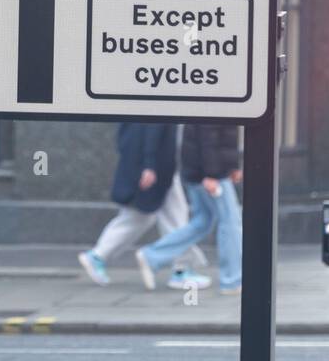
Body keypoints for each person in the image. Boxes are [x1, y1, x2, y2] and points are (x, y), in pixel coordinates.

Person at [78, 124, 209, 290]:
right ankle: (180, 269)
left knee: (143, 215)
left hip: (150, 159)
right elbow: (154, 124)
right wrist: (149, 164)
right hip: (158, 163)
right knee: (169, 215)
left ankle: (98, 255)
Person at [138, 123, 243, 294]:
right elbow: (208, 135)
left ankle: (152, 256)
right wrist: (212, 173)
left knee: (203, 221)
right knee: (230, 222)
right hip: (210, 173)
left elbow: (220, 135)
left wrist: (232, 166)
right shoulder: (215, 99)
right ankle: (232, 280)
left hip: (199, 170)